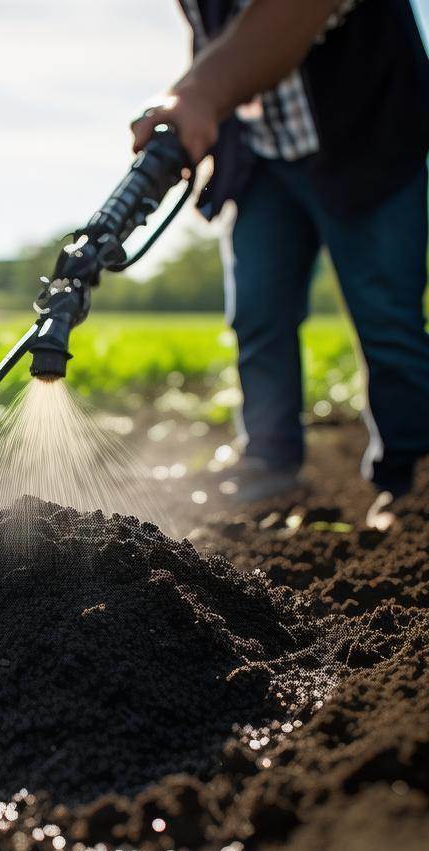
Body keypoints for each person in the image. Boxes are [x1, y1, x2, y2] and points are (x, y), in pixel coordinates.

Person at [132, 0, 429, 528]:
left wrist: (199, 93)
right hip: (262, 156)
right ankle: (268, 467)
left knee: (386, 316)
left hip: (368, 137)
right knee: (258, 315)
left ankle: (411, 479)